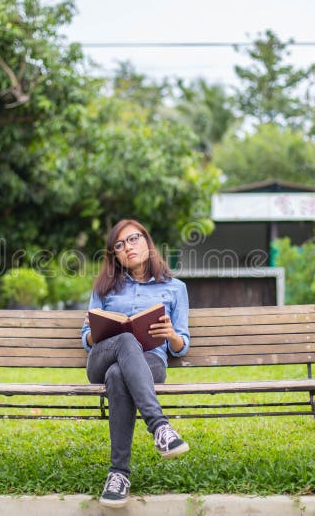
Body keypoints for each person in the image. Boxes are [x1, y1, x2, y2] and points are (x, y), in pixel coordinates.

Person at [81, 218, 191, 508]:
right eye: (119, 245)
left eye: (133, 239)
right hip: (101, 362)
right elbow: (86, 337)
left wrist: (171, 336)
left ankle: (118, 475)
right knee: (126, 341)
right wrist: (99, 330)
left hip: (151, 362)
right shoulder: (105, 287)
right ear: (114, 255)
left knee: (120, 375)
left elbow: (181, 345)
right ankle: (160, 428)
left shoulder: (175, 288)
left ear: (146, 242)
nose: (127, 248)